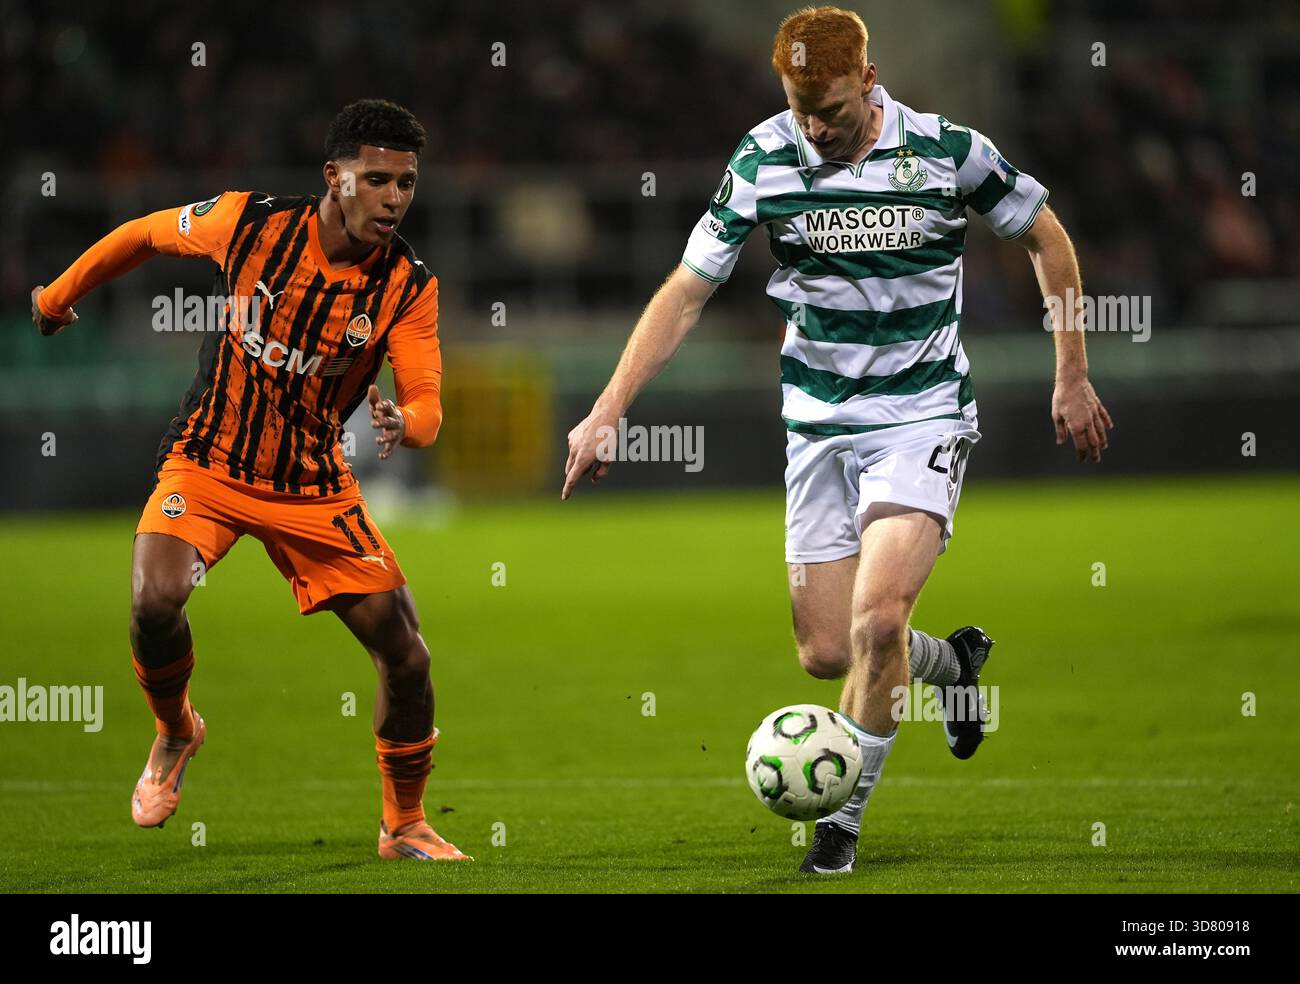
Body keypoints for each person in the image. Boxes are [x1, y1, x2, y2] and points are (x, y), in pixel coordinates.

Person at [562, 6, 1112, 874]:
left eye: (830, 110)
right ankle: (954, 665)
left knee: (878, 617)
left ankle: (839, 825)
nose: (813, 127)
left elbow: (1046, 236)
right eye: (799, 107)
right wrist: (607, 408)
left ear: (869, 76)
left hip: (921, 415)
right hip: (818, 425)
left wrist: (1071, 370)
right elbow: (685, 291)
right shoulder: (762, 159)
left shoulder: (946, 151)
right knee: (828, 653)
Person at [31, 98, 469, 862]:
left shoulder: (407, 284)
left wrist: (410, 423)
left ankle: (404, 825)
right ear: (334, 178)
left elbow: (427, 397)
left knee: (408, 656)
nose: (395, 198)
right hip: (210, 459)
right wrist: (56, 296)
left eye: (406, 183)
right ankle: (176, 730)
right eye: (377, 179)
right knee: (153, 600)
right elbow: (141, 234)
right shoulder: (251, 223)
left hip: (312, 486)